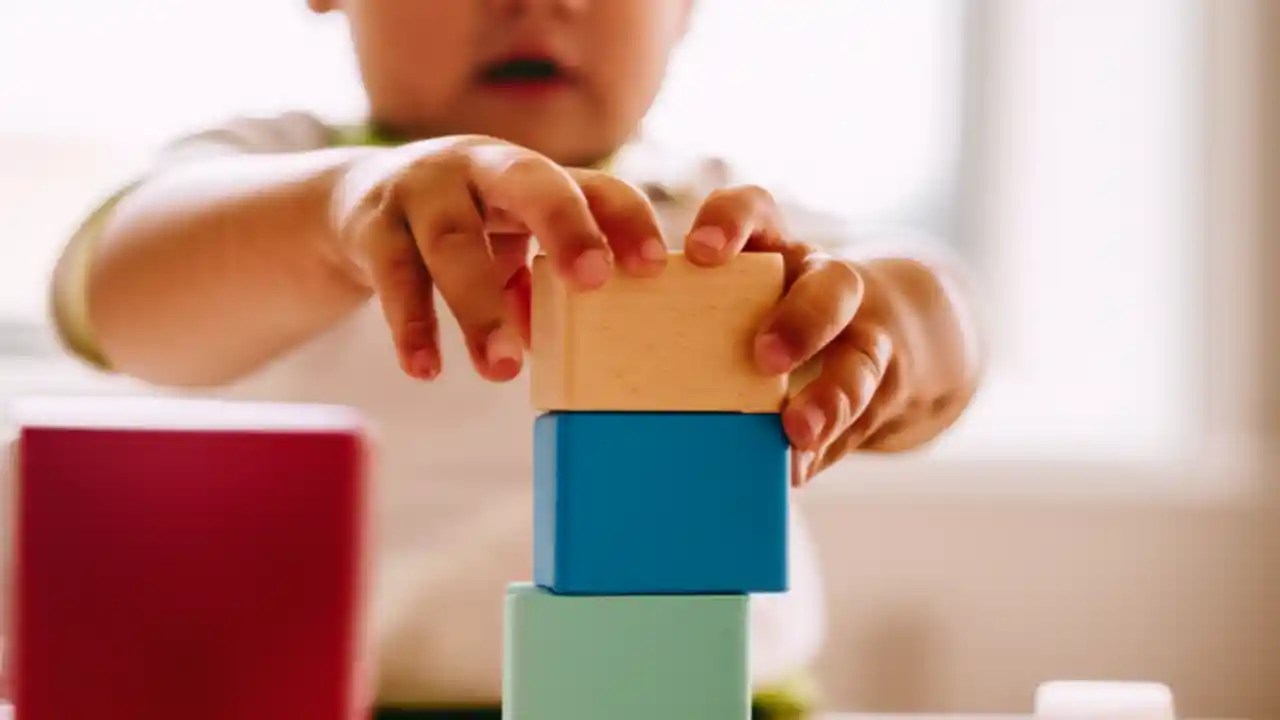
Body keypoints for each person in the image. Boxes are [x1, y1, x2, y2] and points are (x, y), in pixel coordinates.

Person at [49, 0, 983, 713]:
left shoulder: (726, 226)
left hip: (707, 700)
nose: (537, 0)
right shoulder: (278, 182)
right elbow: (115, 295)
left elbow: (938, 318)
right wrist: (339, 213)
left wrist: (903, 323)